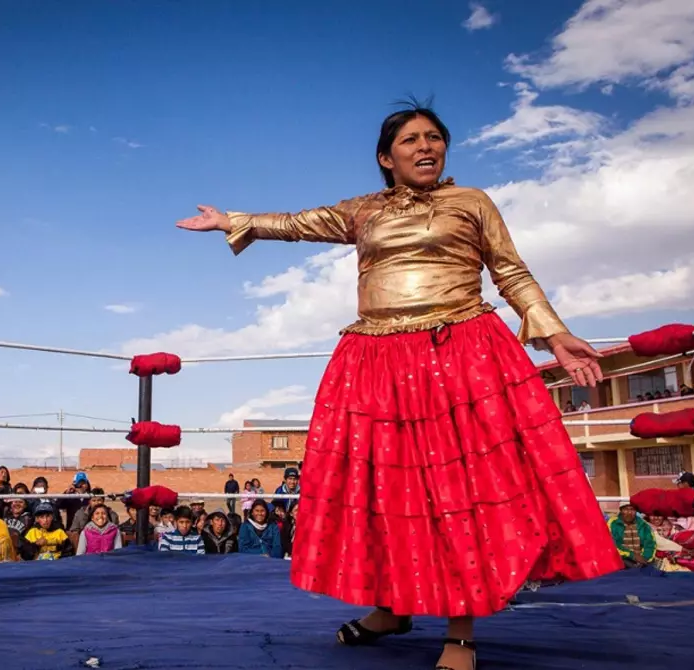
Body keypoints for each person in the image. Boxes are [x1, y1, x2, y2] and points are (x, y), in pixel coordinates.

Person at [176, 101, 623, 670]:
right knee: (385, 492)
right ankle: (391, 607)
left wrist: (555, 334)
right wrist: (232, 220)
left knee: (458, 494)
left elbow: (510, 271)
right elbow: (294, 223)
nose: (425, 147)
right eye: (411, 140)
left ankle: (460, 631)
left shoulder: (473, 202)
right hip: (377, 360)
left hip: (458, 354)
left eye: (434, 137)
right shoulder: (363, 210)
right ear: (387, 158)